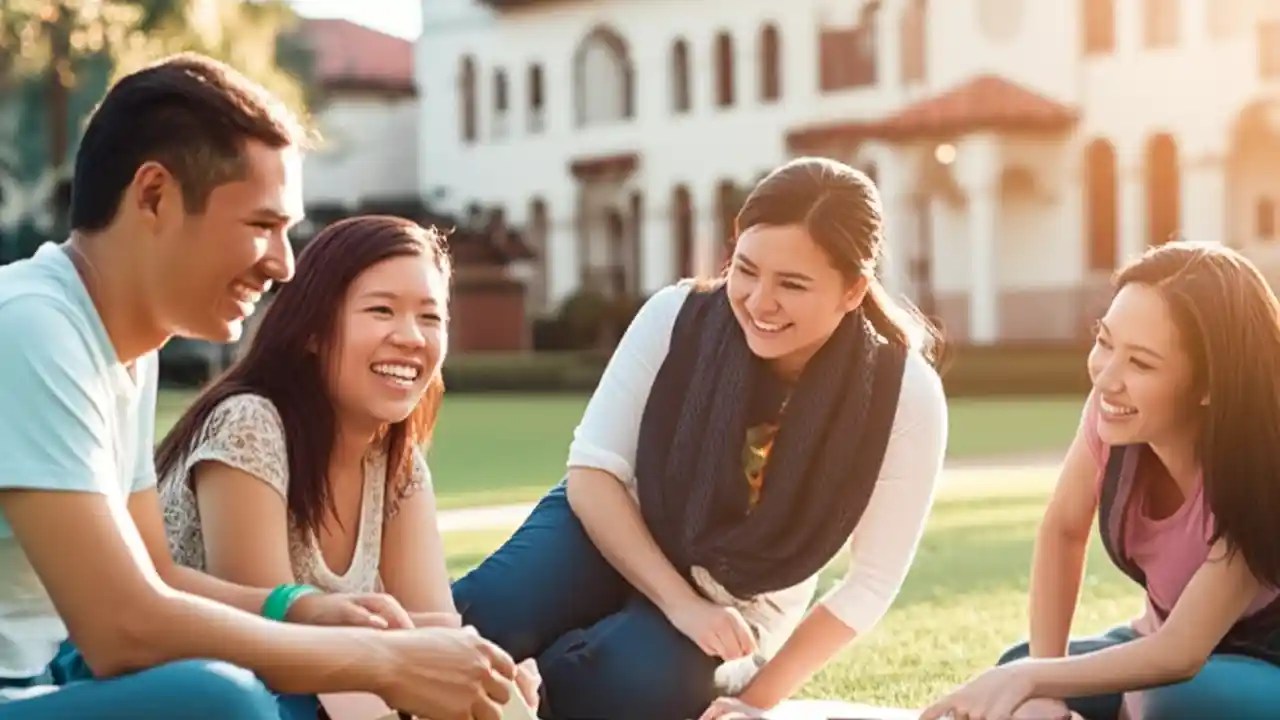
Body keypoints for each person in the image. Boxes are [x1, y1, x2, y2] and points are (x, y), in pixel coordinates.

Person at [0, 53, 516, 720]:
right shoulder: (33, 328)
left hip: (51, 670)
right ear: (153, 196)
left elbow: (155, 575)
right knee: (223, 702)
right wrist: (387, 663)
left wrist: (305, 608)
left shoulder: (125, 349)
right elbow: (121, 627)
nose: (284, 265)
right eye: (261, 227)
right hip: (28, 679)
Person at [451, 157, 950, 720]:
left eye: (792, 284)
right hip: (610, 530)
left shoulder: (904, 394)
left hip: (739, 604)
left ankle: (532, 683)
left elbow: (870, 584)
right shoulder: (675, 318)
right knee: (482, 614)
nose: (760, 302)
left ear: (853, 289)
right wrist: (680, 604)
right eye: (746, 269)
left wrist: (749, 703)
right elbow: (592, 474)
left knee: (620, 685)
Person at [154, 215, 540, 713]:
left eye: (430, 317)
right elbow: (271, 649)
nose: (411, 337)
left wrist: (492, 684)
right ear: (312, 331)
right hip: (208, 695)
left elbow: (435, 630)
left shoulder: (396, 464)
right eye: (381, 310)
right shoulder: (250, 424)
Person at [922, 241, 1280, 720]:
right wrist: (1043, 685)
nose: (1106, 378)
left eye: (1141, 363)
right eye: (1105, 341)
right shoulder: (1113, 419)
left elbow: (1180, 654)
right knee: (1021, 660)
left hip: (1257, 663)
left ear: (1210, 384)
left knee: (1169, 696)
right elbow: (1063, 530)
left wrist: (1030, 678)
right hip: (1164, 646)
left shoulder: (1261, 466)